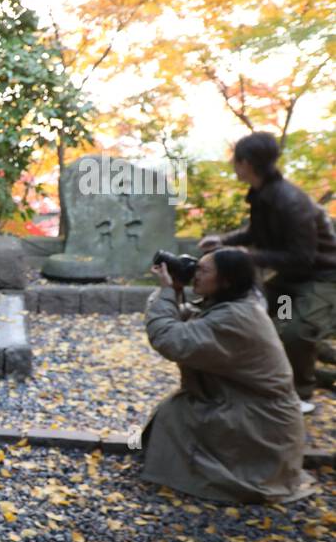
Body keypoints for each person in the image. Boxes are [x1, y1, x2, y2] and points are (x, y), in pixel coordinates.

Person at [142, 248, 311, 504]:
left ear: (227, 280)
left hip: (260, 424)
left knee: (176, 415)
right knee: (174, 412)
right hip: (248, 409)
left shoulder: (236, 317)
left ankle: (229, 472)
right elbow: (187, 320)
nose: (195, 274)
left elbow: (170, 339)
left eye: (203, 270)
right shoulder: (234, 305)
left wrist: (166, 293)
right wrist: (174, 289)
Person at [199, 132, 336, 412]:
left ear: (246, 163)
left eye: (235, 160)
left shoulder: (290, 201)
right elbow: (256, 232)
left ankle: (300, 394)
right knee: (269, 319)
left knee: (297, 333)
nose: (232, 165)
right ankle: (306, 367)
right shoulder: (263, 194)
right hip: (290, 279)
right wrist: (224, 241)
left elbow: (302, 256)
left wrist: (247, 256)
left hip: (319, 278)